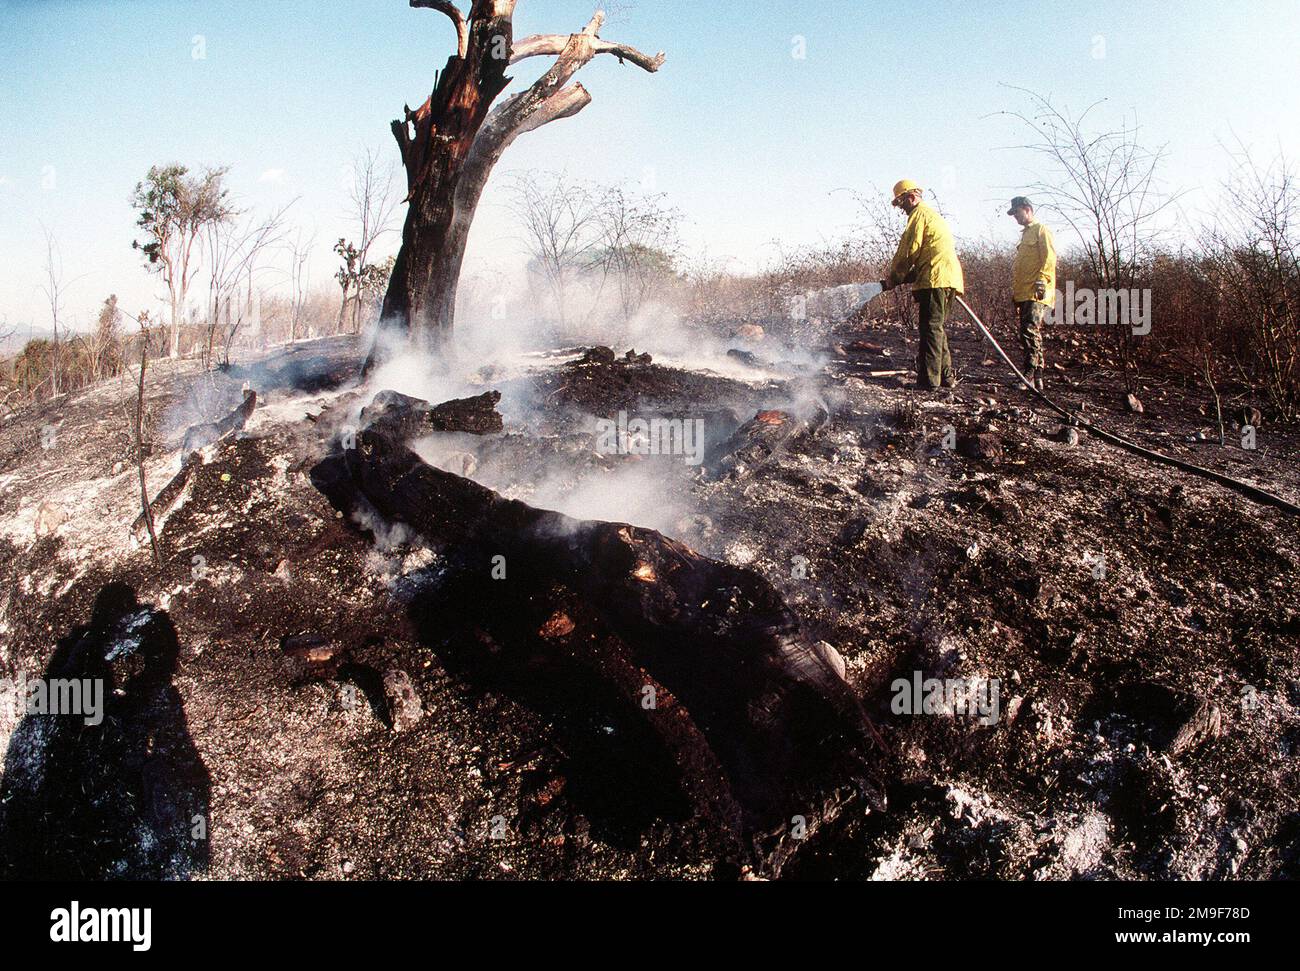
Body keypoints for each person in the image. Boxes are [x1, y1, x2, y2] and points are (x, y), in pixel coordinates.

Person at [880, 180, 965, 390]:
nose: (901, 209)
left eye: (902, 203)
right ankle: (945, 377)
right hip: (945, 278)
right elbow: (926, 255)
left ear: (911, 197)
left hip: (935, 280)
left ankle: (929, 382)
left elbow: (909, 251)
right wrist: (906, 277)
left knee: (931, 329)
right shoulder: (932, 216)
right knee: (936, 328)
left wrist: (894, 277)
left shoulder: (919, 215)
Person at [1008, 196, 1057, 391]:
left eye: (1017, 212)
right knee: (1029, 332)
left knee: (1030, 331)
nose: (1015, 217)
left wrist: (1042, 279)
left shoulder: (1041, 230)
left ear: (1027, 209)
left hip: (1037, 291)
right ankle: (1037, 377)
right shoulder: (1025, 234)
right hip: (1024, 291)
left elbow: (1050, 256)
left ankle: (1029, 374)